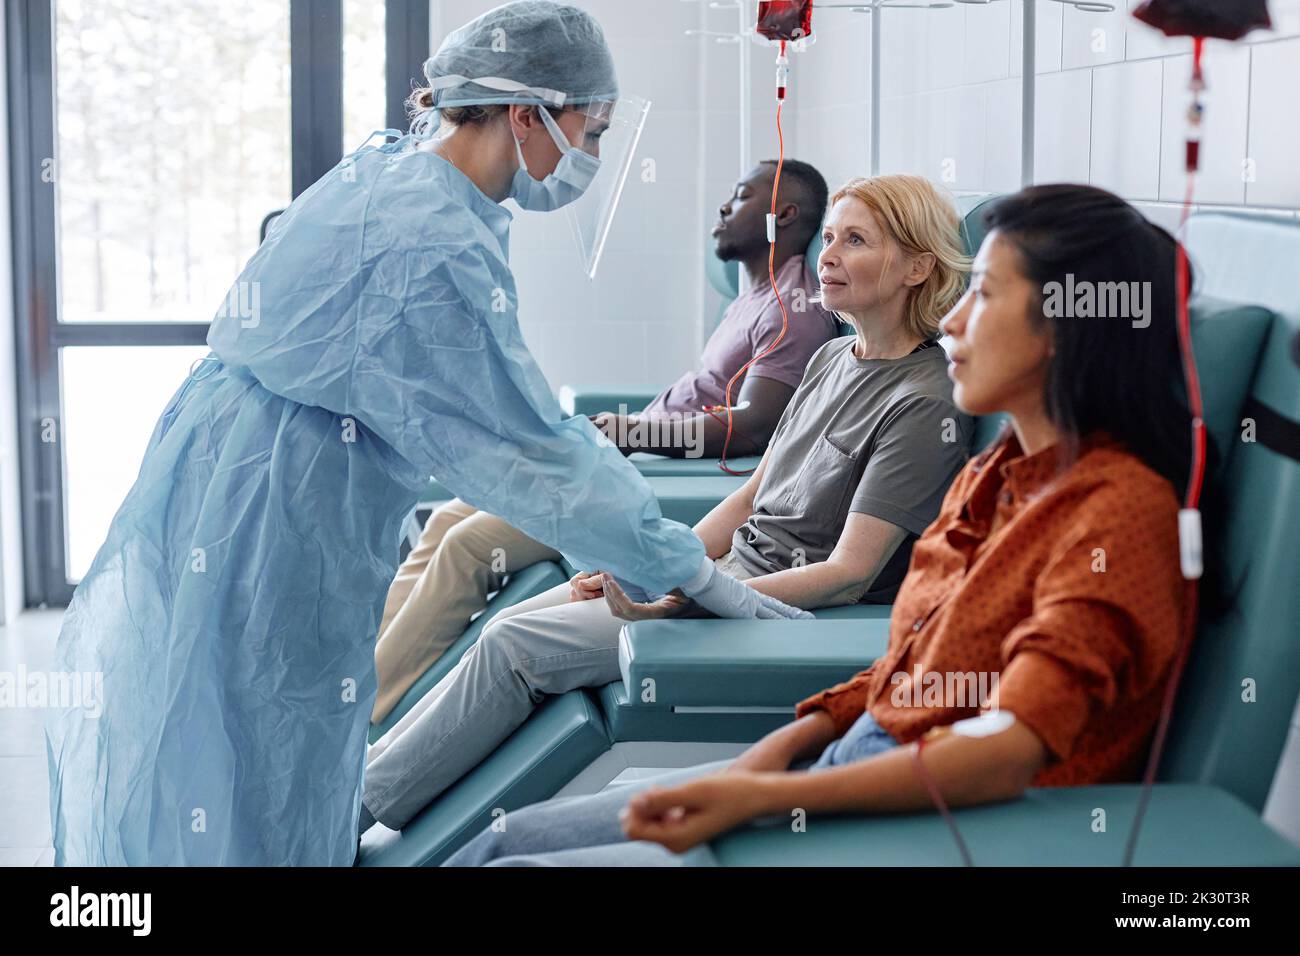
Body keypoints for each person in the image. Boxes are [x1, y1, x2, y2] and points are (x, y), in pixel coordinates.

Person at [44, 0, 807, 868]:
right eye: (587, 133)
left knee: (245, 732)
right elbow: (535, 448)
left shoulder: (407, 183)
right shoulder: (431, 237)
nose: (590, 158)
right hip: (273, 503)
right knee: (260, 741)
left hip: (251, 470)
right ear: (525, 114)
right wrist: (684, 566)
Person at [443, 183, 1212, 866]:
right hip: (853, 753)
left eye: (983, 295)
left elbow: (1007, 751)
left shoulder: (1114, 518)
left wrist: (760, 799)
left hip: (938, 816)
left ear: (1066, 326)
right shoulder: (995, 475)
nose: (956, 318)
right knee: (507, 838)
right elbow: (915, 665)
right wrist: (775, 755)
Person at [359, 174, 972, 837]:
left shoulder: (923, 402)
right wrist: (659, 565)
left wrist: (691, 597)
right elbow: (748, 496)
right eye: (827, 238)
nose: (826, 256)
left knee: (516, 644)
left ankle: (349, 813)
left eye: (854, 241)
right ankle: (360, 773)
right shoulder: (829, 358)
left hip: (765, 608)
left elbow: (850, 572)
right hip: (719, 581)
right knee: (512, 621)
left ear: (918, 266)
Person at [372, 160, 838, 724]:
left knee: (469, 548)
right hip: (618, 465)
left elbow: (755, 426)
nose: (723, 208)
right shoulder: (754, 298)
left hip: (652, 485)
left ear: (781, 215)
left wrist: (629, 432)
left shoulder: (795, 313)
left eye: (740, 197)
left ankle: (371, 708)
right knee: (449, 517)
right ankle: (363, 666)